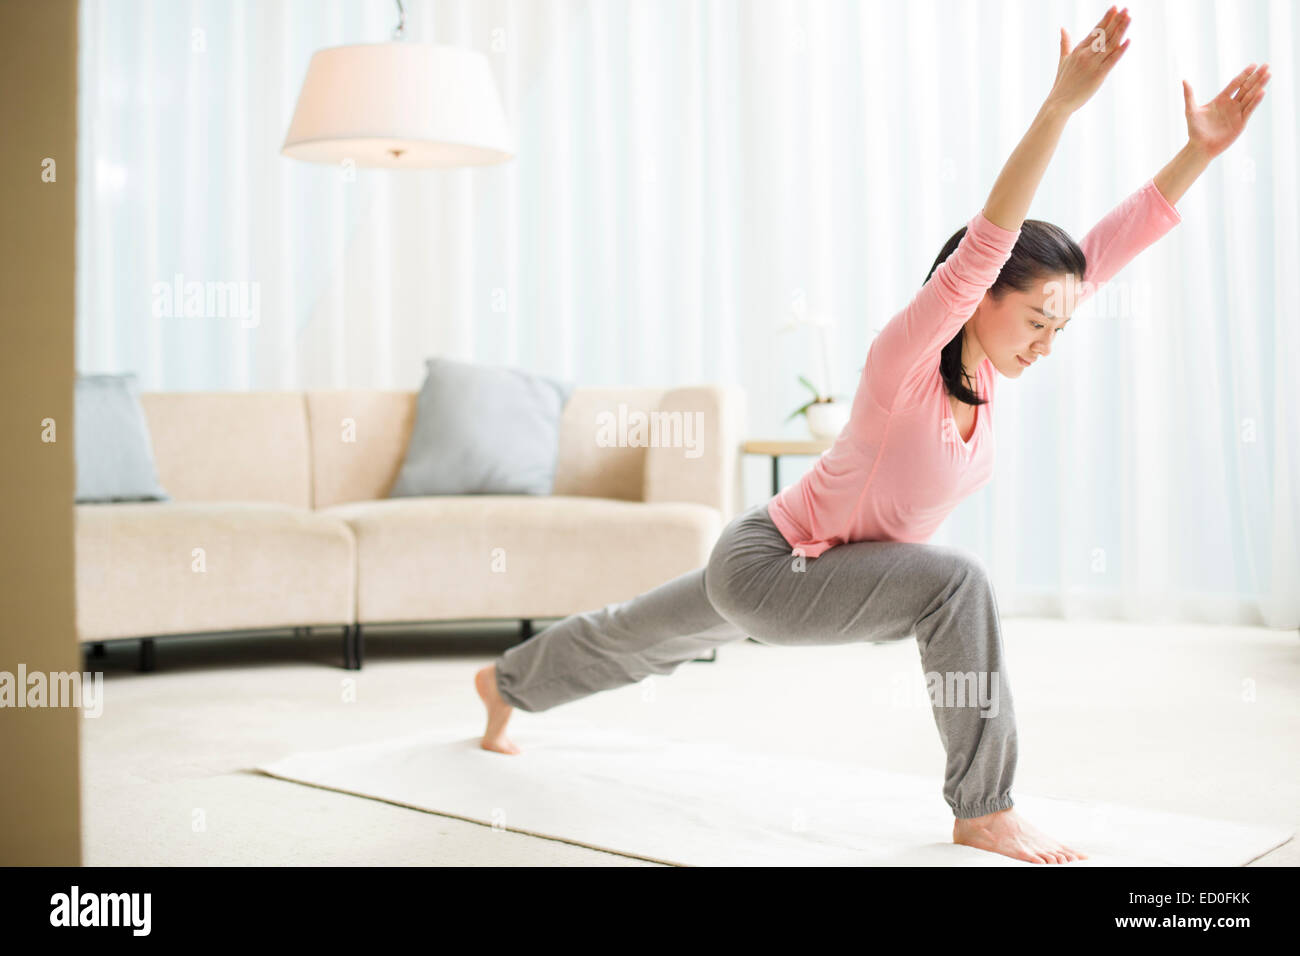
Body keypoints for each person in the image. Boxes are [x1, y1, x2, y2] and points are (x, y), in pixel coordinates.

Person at [474, 5, 1269, 864]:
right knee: (955, 585)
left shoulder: (989, 379)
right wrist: (1058, 108)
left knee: (640, 634)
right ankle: (984, 806)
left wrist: (1199, 151)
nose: (1046, 343)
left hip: (811, 564)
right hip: (772, 564)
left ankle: (503, 681)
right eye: (1037, 320)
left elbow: (1109, 247)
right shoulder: (906, 363)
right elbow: (989, 241)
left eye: (1059, 329)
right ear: (980, 298)